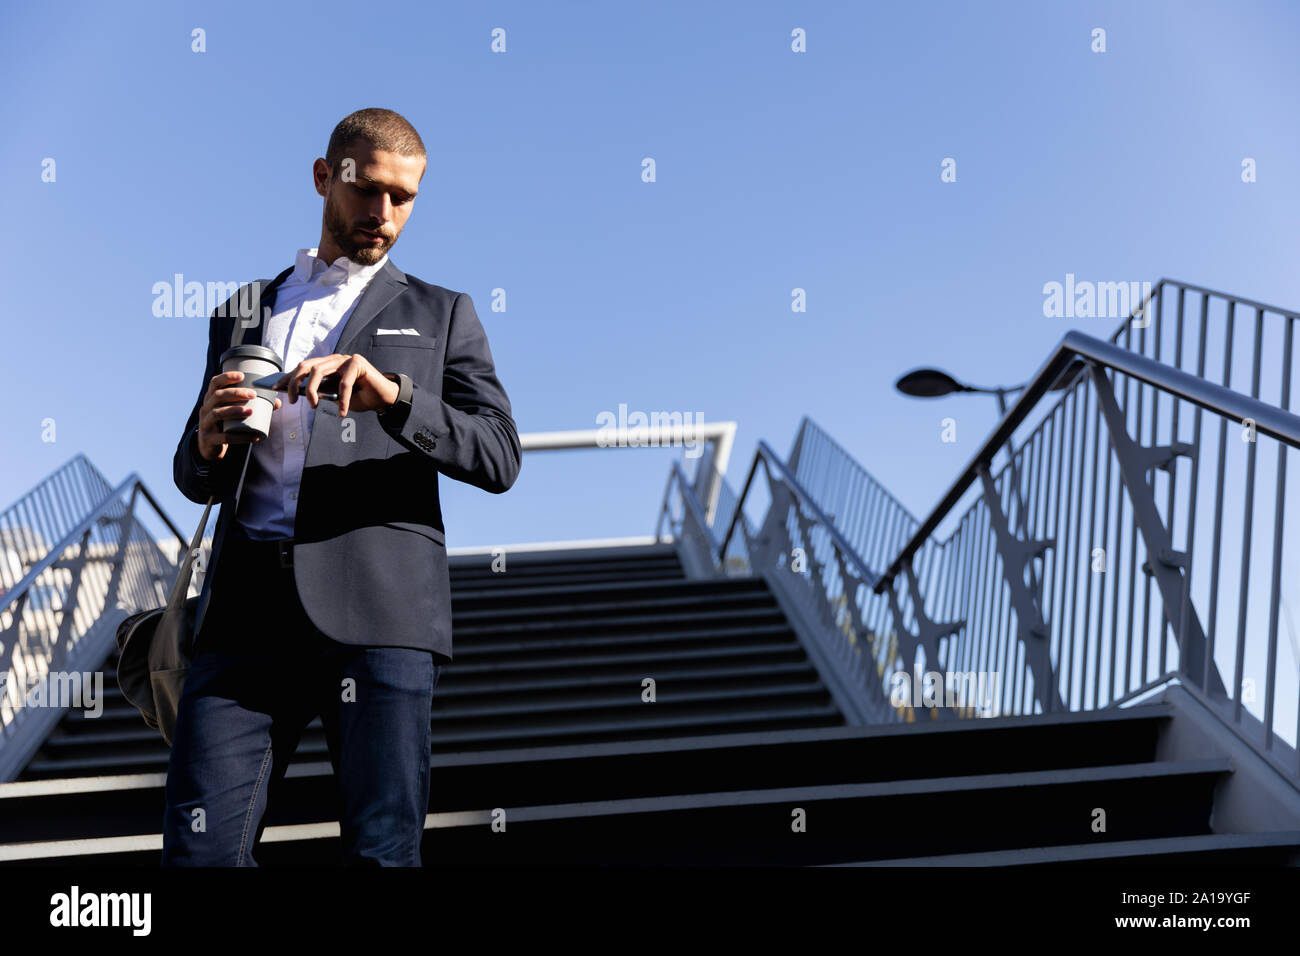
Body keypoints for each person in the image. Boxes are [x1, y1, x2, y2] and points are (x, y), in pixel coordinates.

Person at [162, 107, 521, 866]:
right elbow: (195, 475)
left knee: (381, 856)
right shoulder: (240, 311)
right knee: (199, 855)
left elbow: (498, 455)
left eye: (405, 198)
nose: (384, 214)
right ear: (326, 178)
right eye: (367, 190)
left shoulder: (442, 312)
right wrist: (203, 440)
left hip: (381, 614)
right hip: (244, 616)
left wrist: (394, 397)